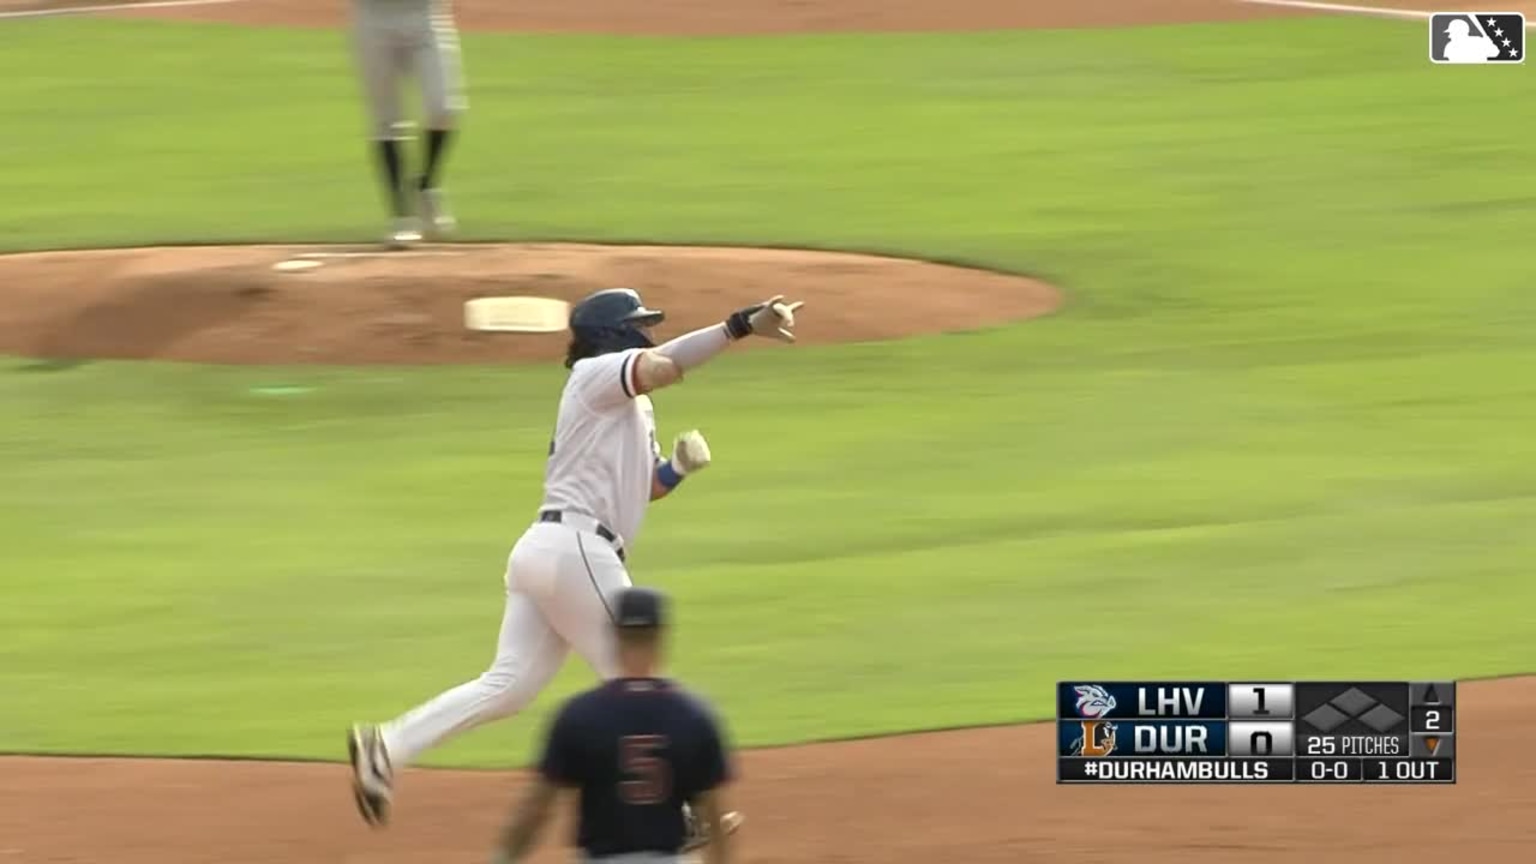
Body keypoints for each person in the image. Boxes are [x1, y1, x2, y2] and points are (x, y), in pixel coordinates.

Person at [347, 287, 803, 848]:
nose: (648, 334)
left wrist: (677, 470)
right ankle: (681, 812)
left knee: (508, 688)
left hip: (553, 551)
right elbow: (664, 366)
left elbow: (642, 488)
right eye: (639, 326)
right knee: (633, 674)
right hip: (577, 551)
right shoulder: (595, 375)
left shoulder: (627, 404)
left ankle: (387, 747)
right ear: (613, 334)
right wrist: (738, 326)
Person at [491, 587, 739, 864]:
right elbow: (713, 819)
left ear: (615, 635)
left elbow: (536, 811)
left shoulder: (579, 715)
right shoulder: (693, 716)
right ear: (661, 635)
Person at [348, 0, 467, 248]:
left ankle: (426, 187)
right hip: (373, 18)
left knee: (443, 108)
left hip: (425, 15)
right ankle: (402, 219)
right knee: (386, 120)